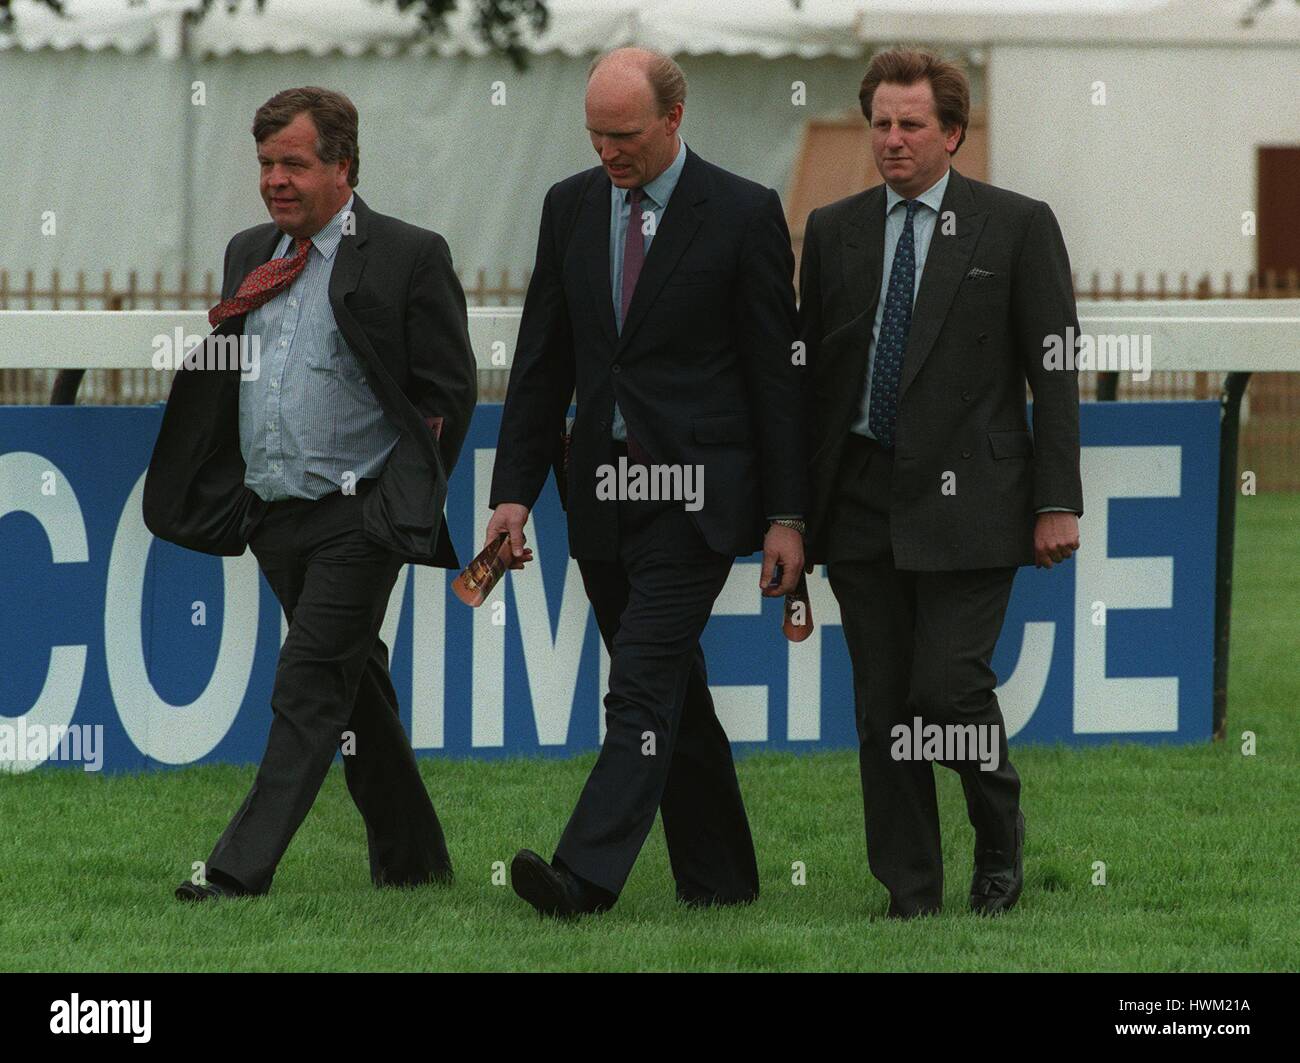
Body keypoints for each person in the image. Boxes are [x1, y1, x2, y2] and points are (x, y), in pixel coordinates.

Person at [487, 47, 806, 917]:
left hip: (697, 499)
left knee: (638, 677)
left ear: (674, 118)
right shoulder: (570, 206)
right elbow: (544, 359)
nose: (607, 151)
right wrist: (512, 490)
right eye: (594, 133)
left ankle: (583, 876)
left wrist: (787, 515)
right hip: (599, 495)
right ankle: (722, 878)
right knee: (671, 690)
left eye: (623, 134)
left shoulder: (743, 213)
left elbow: (777, 379)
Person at [143, 86, 477, 900]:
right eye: (265, 163)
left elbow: (447, 392)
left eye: (293, 162)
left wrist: (401, 502)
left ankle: (235, 870)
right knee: (353, 686)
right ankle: (415, 864)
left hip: (358, 518)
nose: (275, 180)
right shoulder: (249, 251)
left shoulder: (407, 254)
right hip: (273, 515)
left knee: (308, 683)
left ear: (343, 166)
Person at [799, 48, 1083, 918]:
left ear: (952, 133)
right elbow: (814, 384)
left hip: (977, 502)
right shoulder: (833, 229)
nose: (892, 139)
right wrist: (792, 516)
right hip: (859, 504)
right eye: (880, 122)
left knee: (945, 687)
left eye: (911, 124)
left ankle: (999, 837)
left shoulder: (1017, 225)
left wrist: (1057, 498)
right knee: (884, 704)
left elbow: (1056, 368)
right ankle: (911, 889)